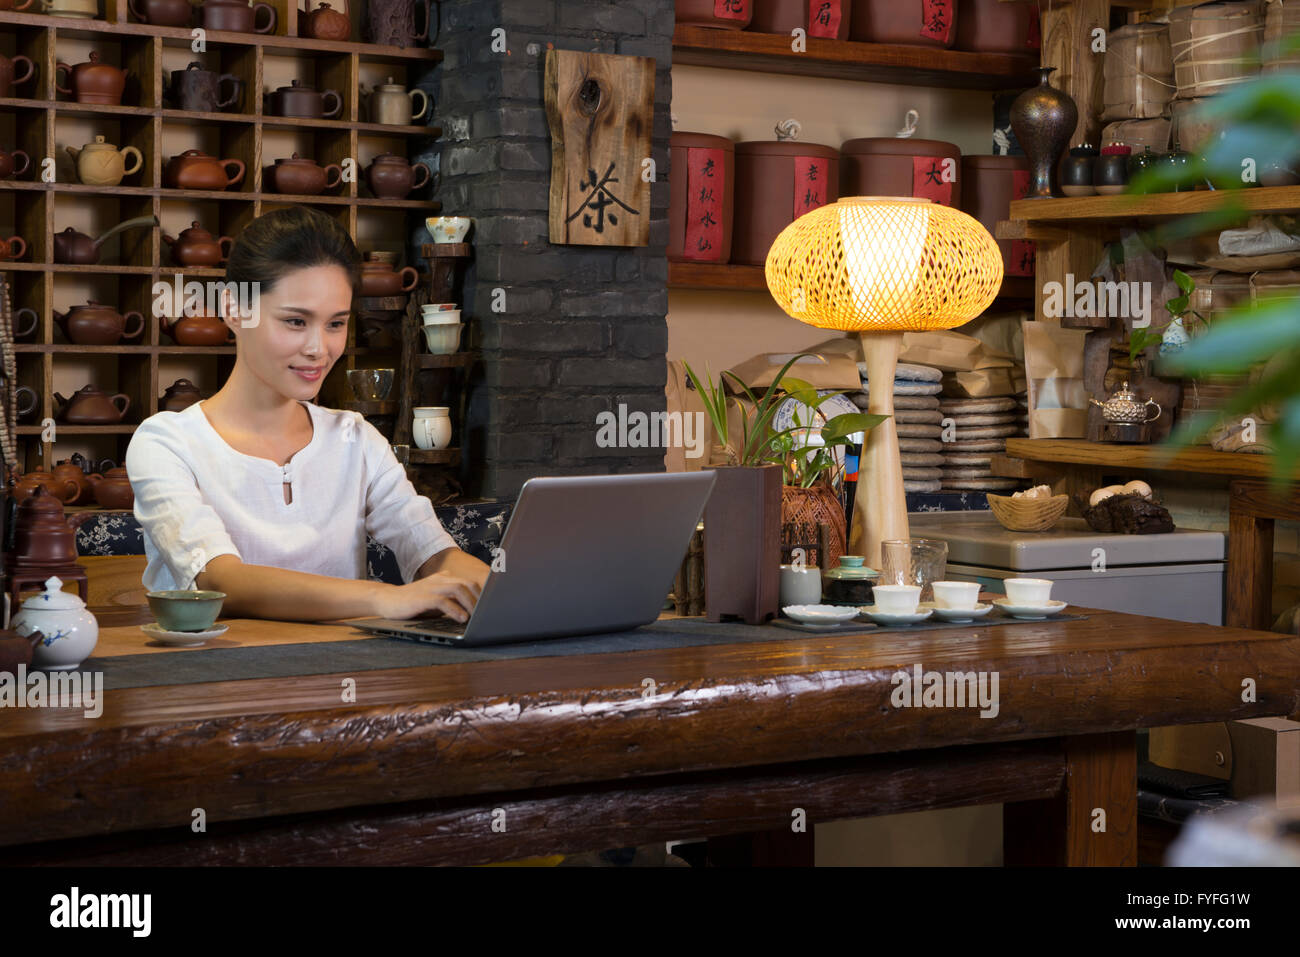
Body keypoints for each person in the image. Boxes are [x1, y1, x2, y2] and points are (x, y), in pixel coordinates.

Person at [125, 207, 488, 623]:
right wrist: (384, 599)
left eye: (335, 324)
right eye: (296, 321)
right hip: (214, 680)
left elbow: (435, 553)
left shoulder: (355, 439)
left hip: (343, 678)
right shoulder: (167, 443)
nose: (319, 348)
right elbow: (219, 580)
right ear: (233, 308)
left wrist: (502, 591)